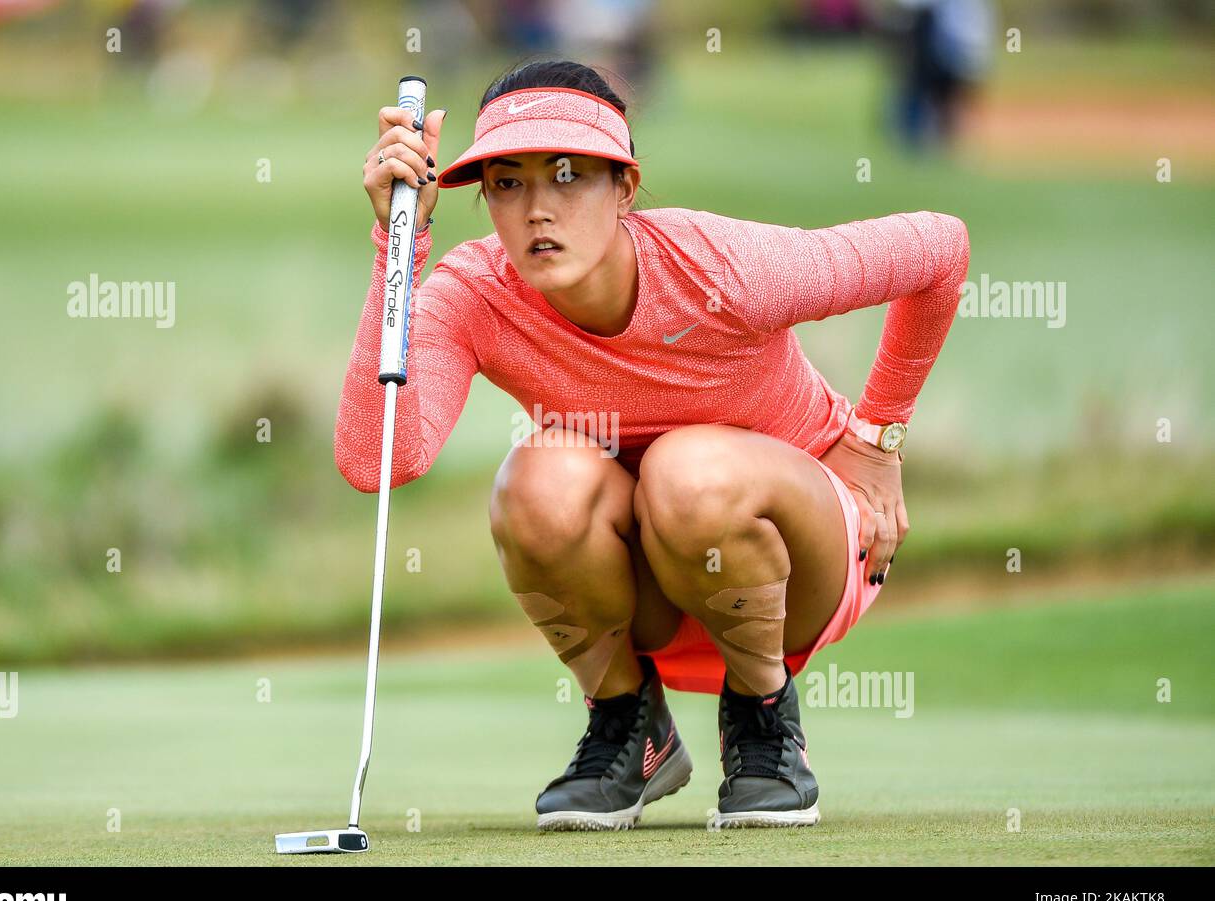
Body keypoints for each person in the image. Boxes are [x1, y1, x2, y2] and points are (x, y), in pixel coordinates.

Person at [347, 59, 969, 831]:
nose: (538, 210)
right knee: (532, 481)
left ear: (626, 189)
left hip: (802, 552)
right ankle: (628, 728)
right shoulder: (475, 293)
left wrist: (877, 441)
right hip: (648, 579)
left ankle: (764, 717)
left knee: (687, 469)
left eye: (568, 176)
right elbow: (379, 459)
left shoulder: (723, 267)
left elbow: (940, 249)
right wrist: (396, 243)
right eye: (507, 183)